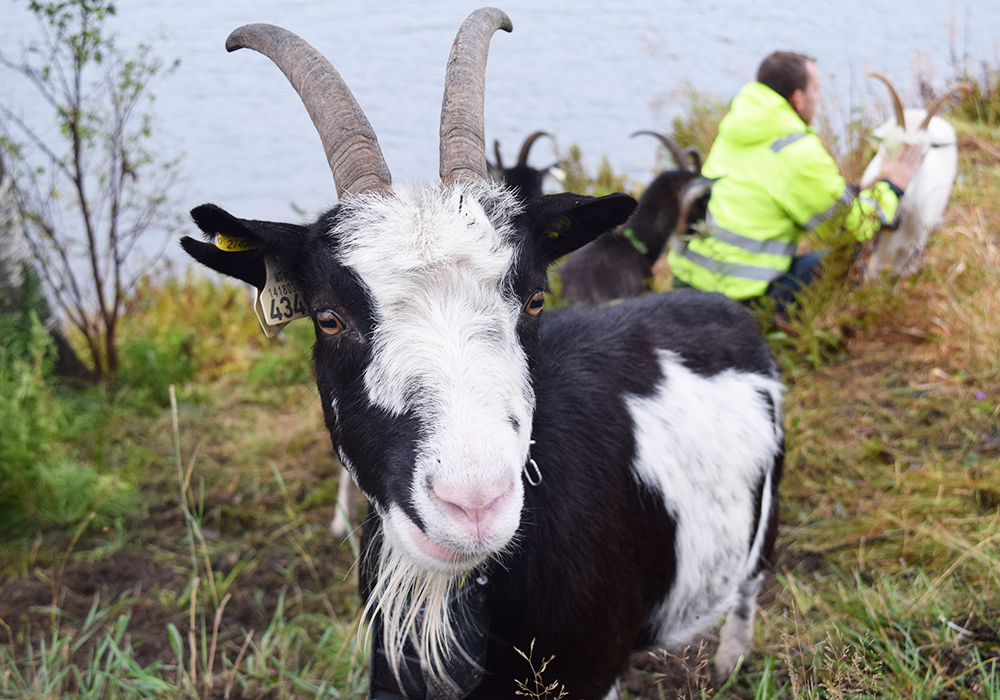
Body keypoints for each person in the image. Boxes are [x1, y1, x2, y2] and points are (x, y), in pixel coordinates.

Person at [667, 51, 923, 310]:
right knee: (850, 250)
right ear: (798, 98)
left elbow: (766, 186)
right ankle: (805, 338)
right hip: (738, 305)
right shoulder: (796, 151)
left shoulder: (736, 126)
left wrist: (856, 190)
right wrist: (892, 186)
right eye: (816, 89)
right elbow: (853, 227)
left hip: (684, 289)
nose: (819, 97)